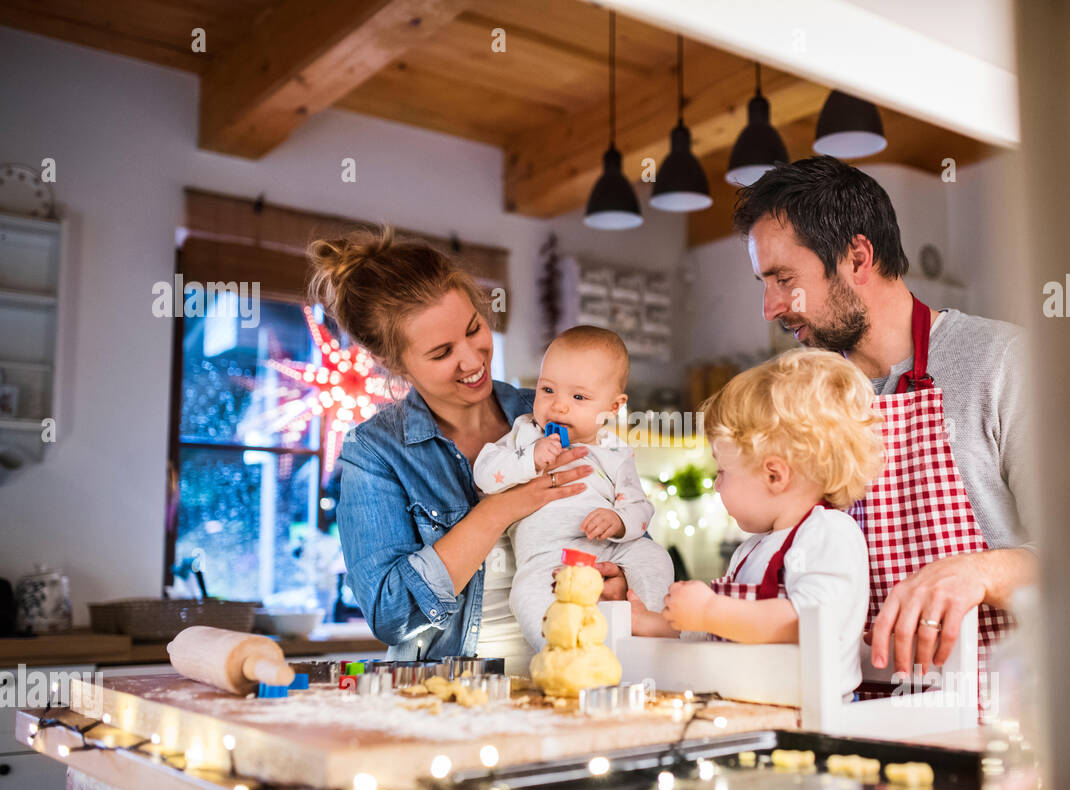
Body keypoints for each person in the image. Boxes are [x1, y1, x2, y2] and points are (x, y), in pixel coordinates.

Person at [732, 156, 1036, 716]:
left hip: (994, 726)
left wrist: (980, 570)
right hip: (848, 721)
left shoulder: (1001, 362)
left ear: (857, 257)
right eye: (765, 283)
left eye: (783, 279)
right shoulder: (804, 396)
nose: (770, 306)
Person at [308, 227, 629, 668]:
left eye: (474, 329)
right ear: (393, 363)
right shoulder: (377, 451)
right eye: (441, 353)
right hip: (449, 696)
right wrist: (501, 508)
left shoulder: (550, 413)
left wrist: (618, 580)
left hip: (571, 675)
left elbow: (623, 522)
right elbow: (390, 613)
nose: (473, 360)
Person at [628, 350, 884, 702]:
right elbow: (717, 633)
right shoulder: (753, 548)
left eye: (723, 471)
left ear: (774, 475)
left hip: (812, 721)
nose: (717, 485)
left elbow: (806, 621)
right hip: (752, 707)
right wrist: (653, 623)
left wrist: (710, 611)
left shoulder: (828, 533)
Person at [472, 325, 673, 651]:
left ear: (613, 407)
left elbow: (640, 507)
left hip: (610, 550)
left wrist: (620, 520)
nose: (559, 406)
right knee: (526, 592)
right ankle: (559, 650)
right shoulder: (525, 435)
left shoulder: (616, 452)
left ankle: (648, 622)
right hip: (547, 558)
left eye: (579, 397)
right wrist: (529, 460)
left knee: (653, 555)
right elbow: (484, 473)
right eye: (548, 390)